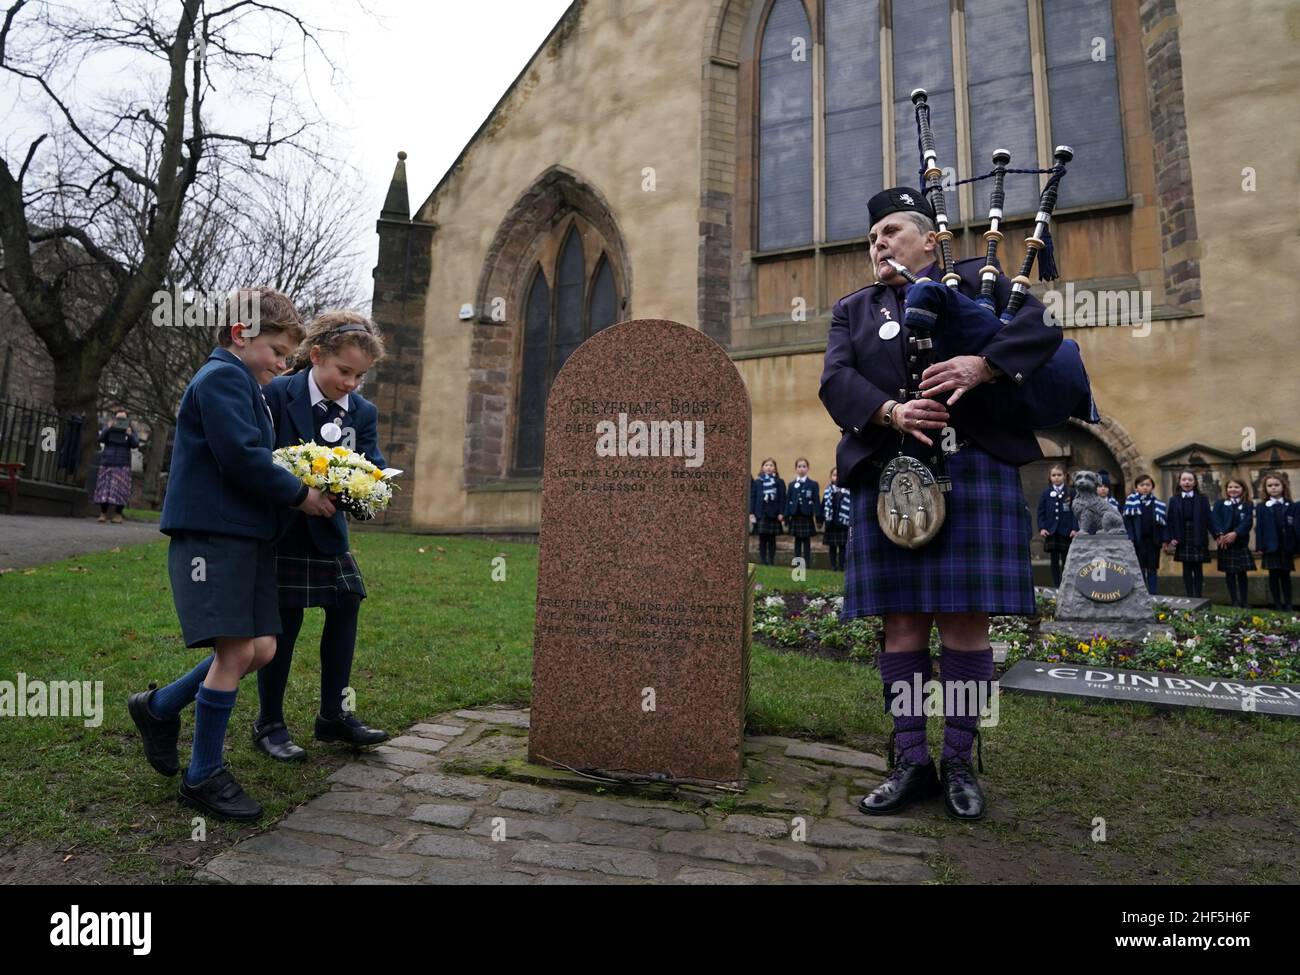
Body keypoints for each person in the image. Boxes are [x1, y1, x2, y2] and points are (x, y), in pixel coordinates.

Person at [820, 187, 1063, 821]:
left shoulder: (981, 290)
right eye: (872, 237)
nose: (878, 243)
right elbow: (836, 378)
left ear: (931, 240)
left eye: (892, 231)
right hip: (892, 473)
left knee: (964, 624)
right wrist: (890, 410)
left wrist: (983, 365)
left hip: (973, 465)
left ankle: (958, 760)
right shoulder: (853, 310)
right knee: (901, 626)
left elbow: (1044, 330)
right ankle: (909, 760)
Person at [127, 288, 336, 821]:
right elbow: (242, 458)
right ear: (242, 334)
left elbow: (256, 454)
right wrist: (300, 494)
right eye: (277, 351)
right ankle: (203, 776)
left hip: (245, 539)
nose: (283, 364)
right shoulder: (221, 377)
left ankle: (159, 708)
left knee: (261, 649)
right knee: (234, 653)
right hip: (212, 536)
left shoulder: (247, 383)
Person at [255, 311, 391, 760]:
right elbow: (261, 456)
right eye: (344, 371)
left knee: (348, 600)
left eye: (361, 376)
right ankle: (269, 723)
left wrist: (363, 488)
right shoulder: (277, 394)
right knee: (285, 621)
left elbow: (371, 465)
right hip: (281, 529)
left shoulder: (363, 412)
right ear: (316, 356)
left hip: (329, 532)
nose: (351, 383)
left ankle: (333, 715)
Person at [1164, 470, 1212, 598]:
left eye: (1190, 480)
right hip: (1182, 535)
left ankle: (1198, 596)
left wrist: (1218, 535)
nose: (1187, 482)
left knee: (1198, 568)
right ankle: (1190, 595)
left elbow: (1209, 518)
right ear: (1179, 482)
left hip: (1198, 534)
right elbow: (1170, 521)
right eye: (1184, 479)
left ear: (1195, 483)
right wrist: (1170, 539)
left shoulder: (1202, 499)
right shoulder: (1174, 500)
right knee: (1186, 568)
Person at [1210, 477, 1254, 609]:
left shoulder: (1248, 504)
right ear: (1226, 490)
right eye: (1230, 487)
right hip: (1225, 544)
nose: (1233, 490)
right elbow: (1215, 520)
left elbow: (1248, 521)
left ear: (1243, 489)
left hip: (1240, 543)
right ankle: (1234, 601)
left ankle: (1244, 601)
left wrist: (1236, 533)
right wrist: (1220, 534)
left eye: (1236, 487)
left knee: (1242, 574)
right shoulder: (1220, 503)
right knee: (1229, 574)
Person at [1254, 473, 1294, 610]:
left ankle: (1288, 603)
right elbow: (1259, 528)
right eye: (1270, 485)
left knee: (1286, 575)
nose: (1273, 488)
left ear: (1283, 487)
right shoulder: (1262, 507)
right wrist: (1259, 545)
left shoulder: (1290, 505)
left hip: (1286, 546)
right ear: (1265, 489)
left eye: (1276, 485)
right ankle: (1277, 603)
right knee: (1273, 575)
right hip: (1270, 546)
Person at [1123, 473, 1166, 594]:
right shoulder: (1131, 504)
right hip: (1138, 542)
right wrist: (1130, 538)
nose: (1145, 487)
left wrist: (1163, 539)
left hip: (1153, 542)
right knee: (1139, 569)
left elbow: (1162, 525)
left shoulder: (1158, 504)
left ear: (1152, 487)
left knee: (1152, 570)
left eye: (1148, 484)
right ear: (1136, 488)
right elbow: (1128, 523)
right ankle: (1141, 593)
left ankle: (1153, 593)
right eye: (1142, 485)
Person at [93, 409, 139, 523]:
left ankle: (118, 515)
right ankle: (103, 513)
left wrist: (130, 434)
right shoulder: (108, 427)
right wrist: (108, 429)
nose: (120, 421)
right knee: (104, 489)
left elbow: (135, 445)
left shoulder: (130, 431)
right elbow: (100, 439)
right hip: (107, 462)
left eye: (123, 419)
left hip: (122, 464)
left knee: (121, 490)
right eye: (118, 419)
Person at [1037, 464, 1077, 587]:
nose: (1056, 478)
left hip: (1066, 531)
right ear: (1050, 477)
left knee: (1067, 560)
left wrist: (1075, 528)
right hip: (1052, 531)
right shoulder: (1046, 493)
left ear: (1064, 476)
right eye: (1054, 475)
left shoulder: (1071, 492)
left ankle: (1066, 585)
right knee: (1054, 560)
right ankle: (1056, 586)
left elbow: (1076, 511)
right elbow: (1041, 511)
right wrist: (1042, 527)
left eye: (1059, 475)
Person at [784, 457, 819, 570]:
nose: (802, 469)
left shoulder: (813, 484)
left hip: (807, 516)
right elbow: (788, 501)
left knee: (807, 542)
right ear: (796, 469)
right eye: (799, 466)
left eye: (804, 466)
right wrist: (786, 517)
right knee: (797, 542)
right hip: (795, 516)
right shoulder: (791, 484)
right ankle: (798, 563)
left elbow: (817, 501)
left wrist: (818, 518)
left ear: (808, 468)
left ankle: (807, 564)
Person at [749, 458, 785, 566]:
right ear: (762, 468)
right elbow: (753, 497)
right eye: (766, 465)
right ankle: (763, 560)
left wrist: (781, 512)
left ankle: (771, 561)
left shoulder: (779, 482)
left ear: (775, 468)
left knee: (772, 539)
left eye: (771, 465)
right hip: (761, 513)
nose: (768, 467)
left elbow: (783, 498)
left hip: (774, 514)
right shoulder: (758, 482)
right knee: (762, 539)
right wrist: (751, 513)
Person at [821, 467, 851, 572]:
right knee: (832, 547)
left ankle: (842, 565)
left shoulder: (847, 492)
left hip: (843, 524)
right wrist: (821, 520)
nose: (836, 477)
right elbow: (823, 506)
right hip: (831, 524)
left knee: (843, 547)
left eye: (839, 475)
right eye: (834, 475)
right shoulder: (828, 492)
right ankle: (833, 565)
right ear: (830, 477)